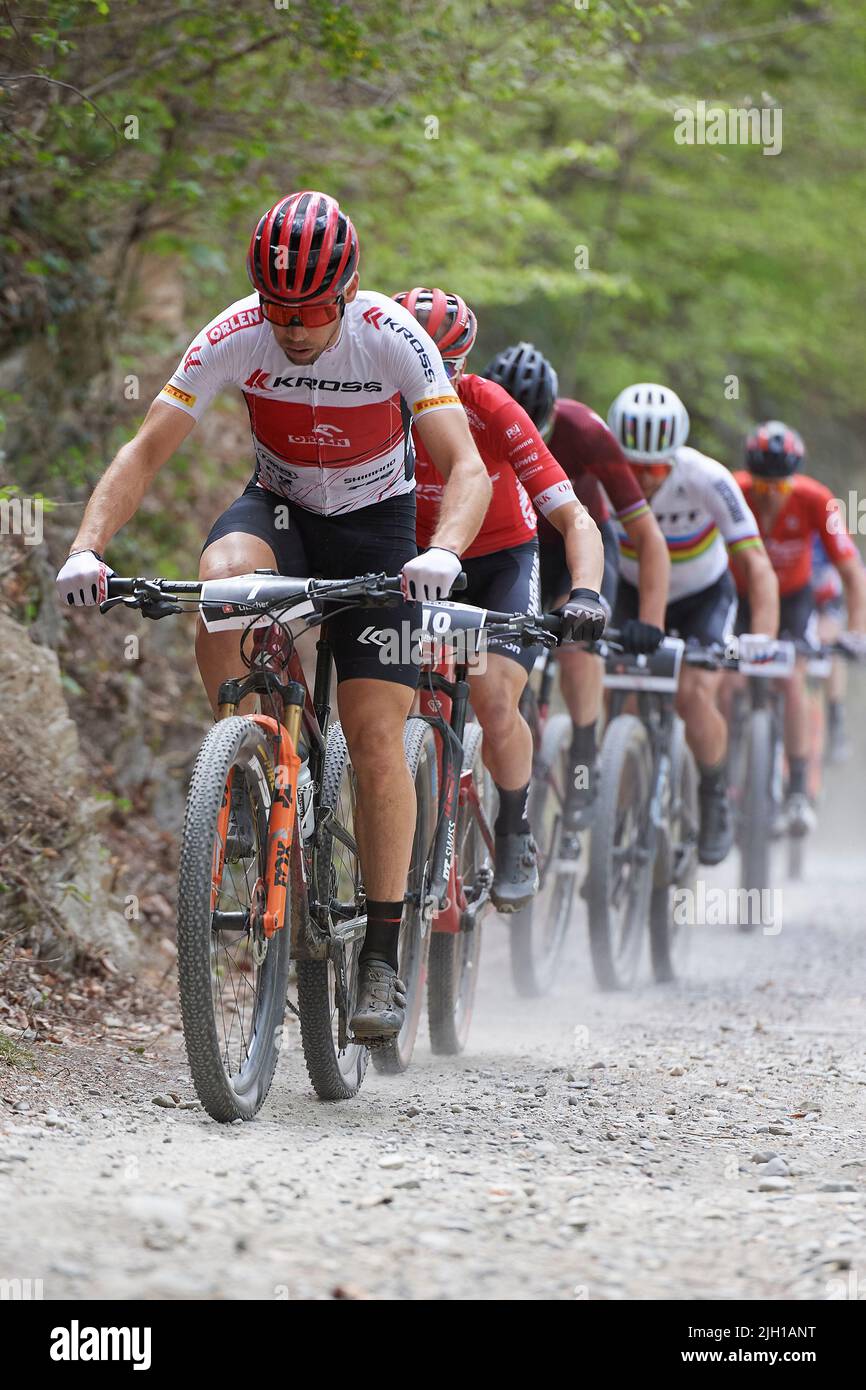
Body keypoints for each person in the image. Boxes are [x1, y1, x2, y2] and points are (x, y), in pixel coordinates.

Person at [55, 190, 494, 1041]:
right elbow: (146, 449)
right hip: (281, 511)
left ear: (348, 292)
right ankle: (253, 765)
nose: (291, 327)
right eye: (277, 309)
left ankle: (381, 955)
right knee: (220, 585)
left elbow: (465, 466)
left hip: (379, 527)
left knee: (374, 737)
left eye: (310, 312)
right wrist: (86, 547)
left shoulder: (391, 336)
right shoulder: (233, 334)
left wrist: (442, 550)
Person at [395, 290, 606, 910]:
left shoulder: (490, 405)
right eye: (414, 366)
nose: (427, 384)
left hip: (500, 562)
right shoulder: (371, 401)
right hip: (413, 560)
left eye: (446, 369)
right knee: (390, 699)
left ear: (463, 367)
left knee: (491, 697)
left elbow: (572, 516)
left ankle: (515, 828)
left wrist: (587, 593)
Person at [483, 344, 670, 826]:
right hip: (506, 547)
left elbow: (647, 537)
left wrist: (650, 622)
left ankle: (585, 753)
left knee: (574, 642)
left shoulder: (586, 432)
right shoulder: (467, 414)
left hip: (572, 545)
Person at [607, 382, 779, 865]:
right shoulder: (601, 474)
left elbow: (758, 565)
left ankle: (714, 792)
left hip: (703, 595)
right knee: (617, 694)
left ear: (674, 456)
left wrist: (760, 640)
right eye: (632, 467)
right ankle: (612, 818)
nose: (642, 480)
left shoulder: (707, 476)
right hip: (633, 591)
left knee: (693, 694)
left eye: (655, 468)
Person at [734, 422, 866, 828]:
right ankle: (721, 777)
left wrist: (855, 632)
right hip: (740, 598)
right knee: (725, 682)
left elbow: (851, 571)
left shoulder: (816, 499)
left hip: (794, 602)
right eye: (763, 487)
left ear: (794, 481)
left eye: (780, 488)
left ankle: (795, 792)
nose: (771, 496)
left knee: (792, 680)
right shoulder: (733, 491)